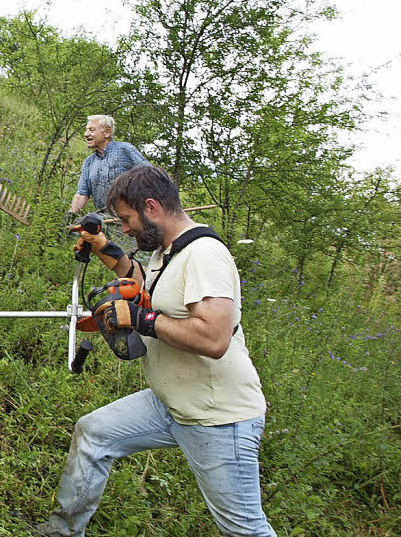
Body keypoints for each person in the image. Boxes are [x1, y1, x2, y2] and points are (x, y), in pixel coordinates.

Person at [33, 164, 275, 537]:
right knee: (94, 434)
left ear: (152, 207)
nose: (125, 228)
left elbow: (215, 339)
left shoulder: (204, 255)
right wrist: (104, 247)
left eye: (127, 220)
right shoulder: (170, 251)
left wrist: (141, 320)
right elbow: (146, 284)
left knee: (243, 529)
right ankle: (61, 532)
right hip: (171, 401)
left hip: (217, 417)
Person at [65, 115, 148, 228]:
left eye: (91, 130)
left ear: (107, 132)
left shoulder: (125, 150)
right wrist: (70, 216)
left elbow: (149, 175)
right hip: (105, 221)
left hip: (130, 220)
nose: (86, 134)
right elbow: (82, 193)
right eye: (86, 130)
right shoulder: (89, 162)